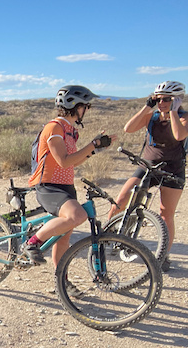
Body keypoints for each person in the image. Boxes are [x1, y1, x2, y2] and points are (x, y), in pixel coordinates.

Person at [23, 85, 115, 271]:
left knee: (63, 239)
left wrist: (96, 149)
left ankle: (61, 280)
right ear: (76, 106)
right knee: (77, 215)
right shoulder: (54, 127)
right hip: (49, 186)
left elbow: (74, 162)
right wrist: (92, 144)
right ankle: (32, 242)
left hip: (65, 187)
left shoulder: (70, 130)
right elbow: (64, 161)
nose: (87, 110)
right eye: (86, 106)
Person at [106, 80, 187, 271]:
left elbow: (179, 135)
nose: (161, 103)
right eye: (158, 99)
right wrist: (147, 107)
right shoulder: (152, 116)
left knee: (166, 214)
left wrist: (173, 111)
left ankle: (163, 255)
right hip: (148, 166)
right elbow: (128, 128)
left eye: (166, 99)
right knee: (121, 201)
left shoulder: (183, 117)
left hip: (173, 168)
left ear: (177, 100)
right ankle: (108, 237)